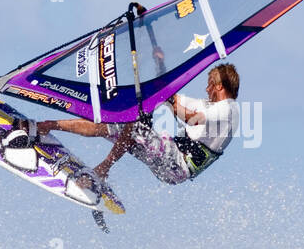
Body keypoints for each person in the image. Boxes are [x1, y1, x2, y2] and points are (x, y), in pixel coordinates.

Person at [37, 63, 239, 184]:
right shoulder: (209, 105)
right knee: (116, 125)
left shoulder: (229, 109)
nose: (206, 89)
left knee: (134, 123)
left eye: (209, 85)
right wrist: (160, 64)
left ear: (218, 86)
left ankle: (102, 170)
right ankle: (47, 125)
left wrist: (166, 98)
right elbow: (175, 98)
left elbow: (192, 119)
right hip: (170, 157)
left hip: (179, 165)